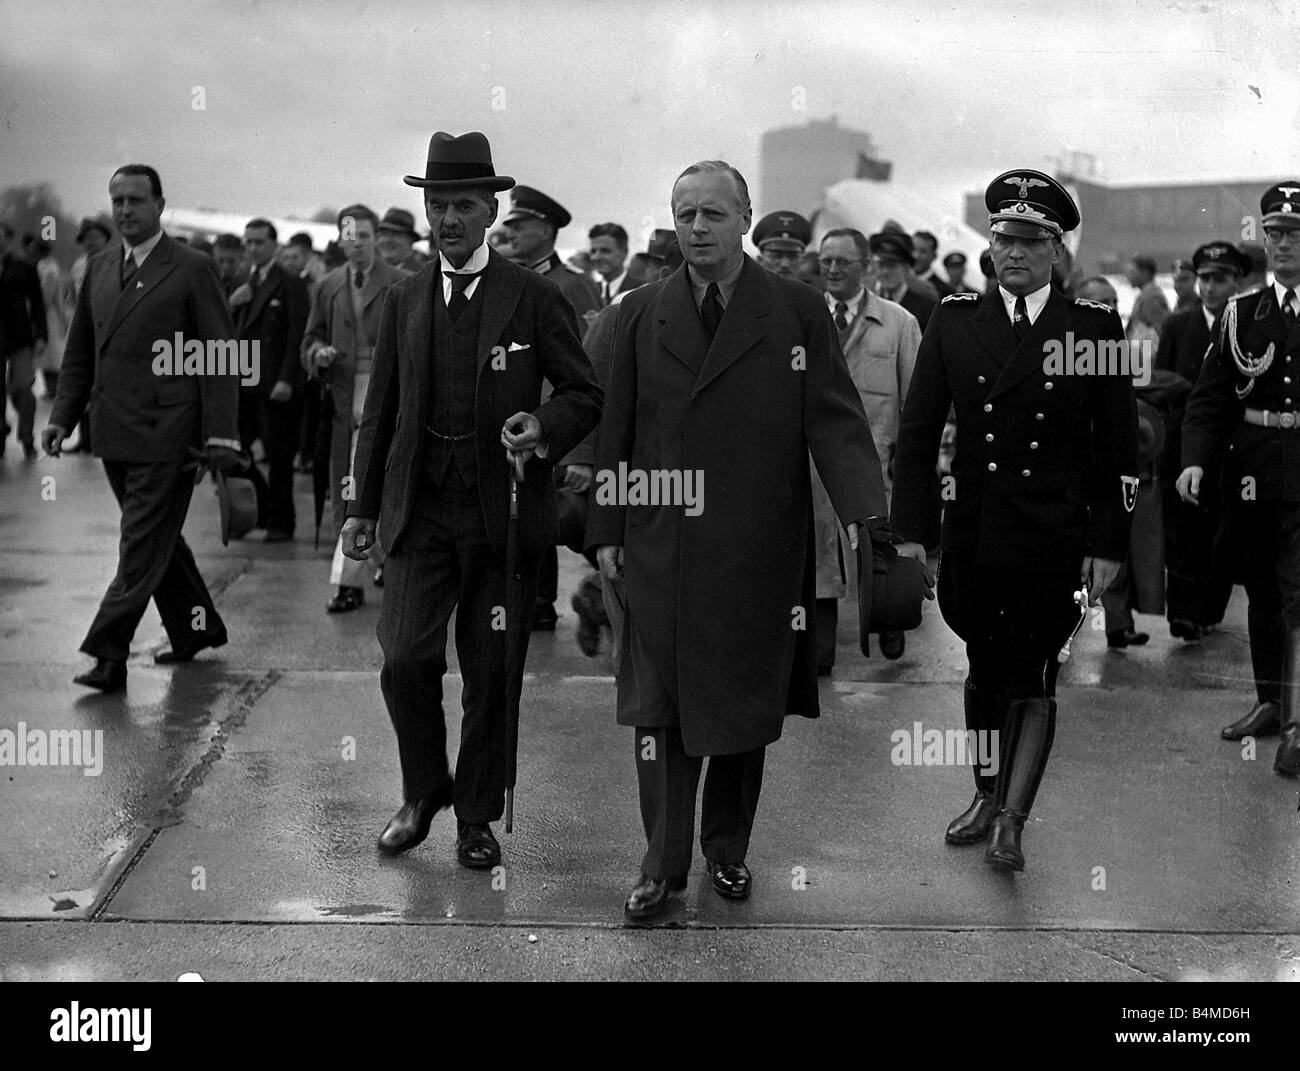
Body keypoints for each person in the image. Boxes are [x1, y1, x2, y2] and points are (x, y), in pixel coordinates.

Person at [587, 159, 921, 921]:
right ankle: (661, 866)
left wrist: (870, 518)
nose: (696, 228)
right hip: (662, 542)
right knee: (660, 712)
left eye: (712, 214)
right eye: (684, 214)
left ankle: (727, 851)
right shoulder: (642, 312)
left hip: (758, 546)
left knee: (740, 707)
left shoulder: (796, 311)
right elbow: (619, 429)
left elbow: (834, 421)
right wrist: (606, 527)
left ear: (744, 217)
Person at [341, 131, 601, 866]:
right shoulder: (403, 299)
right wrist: (361, 508)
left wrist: (542, 426)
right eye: (435, 203)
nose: (447, 218)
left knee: (491, 674)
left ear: (491, 210)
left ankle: (477, 816)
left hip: (504, 517)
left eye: (462, 204)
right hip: (419, 510)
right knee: (404, 660)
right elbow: (379, 410)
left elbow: (586, 393)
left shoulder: (535, 297)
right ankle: (426, 790)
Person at [892, 168, 1138, 872]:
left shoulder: (1091, 326)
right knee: (981, 666)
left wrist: (1108, 545)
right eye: (1005, 239)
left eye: (1033, 242)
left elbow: (1117, 446)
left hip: (1052, 536)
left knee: (1034, 675)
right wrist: (916, 532)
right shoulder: (955, 319)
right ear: (990, 247)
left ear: (1056, 251)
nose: (1017, 253)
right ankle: (984, 789)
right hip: (973, 529)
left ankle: (1013, 818)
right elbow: (917, 432)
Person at [41, 164, 242, 692]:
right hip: (112, 429)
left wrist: (221, 435)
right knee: (156, 541)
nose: (125, 210)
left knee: (138, 544)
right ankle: (198, 629)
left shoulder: (192, 267)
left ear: (159, 204)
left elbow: (220, 353)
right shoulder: (100, 267)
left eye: (135, 200)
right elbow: (82, 350)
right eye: (117, 201)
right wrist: (62, 417)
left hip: (169, 432)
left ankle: (109, 654)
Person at [1179, 183, 1300, 775]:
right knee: (1262, 591)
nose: (1280, 244)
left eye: (1294, 234)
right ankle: (1272, 702)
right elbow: (1208, 399)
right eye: (1273, 234)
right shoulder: (1240, 313)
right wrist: (1196, 458)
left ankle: (1298, 722)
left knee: (1298, 591)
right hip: (1252, 468)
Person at [814, 227, 922, 667]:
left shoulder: (899, 323)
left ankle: (891, 620)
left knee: (880, 556)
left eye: (843, 262)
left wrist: (910, 461)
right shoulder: (804, 317)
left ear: (866, 267)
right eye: (826, 262)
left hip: (878, 463)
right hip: (815, 467)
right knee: (820, 563)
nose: (834, 270)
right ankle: (819, 653)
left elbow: (916, 401)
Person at [502, 185, 603, 631]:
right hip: (522, 423)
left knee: (547, 515)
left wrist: (582, 450)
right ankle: (531, 600)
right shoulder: (515, 281)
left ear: (545, 229)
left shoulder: (573, 287)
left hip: (557, 427)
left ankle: (551, 602)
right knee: (521, 510)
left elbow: (591, 370)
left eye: (520, 225)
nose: (512, 232)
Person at [302, 204, 404, 612]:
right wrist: (318, 354)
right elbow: (308, 340)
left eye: (363, 236)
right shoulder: (327, 286)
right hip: (343, 399)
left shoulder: (401, 283)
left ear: (376, 237)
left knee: (371, 488)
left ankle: (362, 573)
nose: (356, 244)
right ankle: (355, 577)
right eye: (349, 236)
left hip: (386, 398)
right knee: (348, 489)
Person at [1156, 242, 1247, 641]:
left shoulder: (1246, 325)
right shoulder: (1178, 325)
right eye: (1204, 279)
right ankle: (1183, 612)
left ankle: (1209, 609)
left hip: (1230, 445)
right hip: (1181, 442)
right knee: (1181, 529)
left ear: (1236, 282)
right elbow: (1157, 377)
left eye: (1219, 280)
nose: (1209, 288)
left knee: (1221, 530)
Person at [231, 218, 309, 542]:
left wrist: (288, 379)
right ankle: (262, 509)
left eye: (259, 242)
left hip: (276, 384)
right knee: (235, 449)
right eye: (247, 242)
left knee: (279, 457)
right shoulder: (243, 282)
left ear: (274, 245)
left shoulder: (289, 283)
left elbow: (297, 334)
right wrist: (234, 303)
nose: (252, 248)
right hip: (244, 381)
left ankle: (280, 522)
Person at [0, 220, 47, 459]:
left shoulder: (22, 267)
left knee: (22, 386)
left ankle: (27, 437)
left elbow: (37, 302)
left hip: (20, 335)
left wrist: (41, 334)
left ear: (8, 239)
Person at [870, 230, 937, 330]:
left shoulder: (926, 310)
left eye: (892, 266)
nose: (885, 272)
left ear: (906, 268)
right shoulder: (866, 300)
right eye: (881, 265)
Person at [1125, 253, 1170, 346]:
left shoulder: (1152, 298)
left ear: (1145, 273)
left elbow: (1162, 332)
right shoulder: (1146, 296)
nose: (1128, 277)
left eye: (1132, 272)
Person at [751, 210, 810, 279]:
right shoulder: (744, 289)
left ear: (802, 262)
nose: (785, 264)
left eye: (793, 256)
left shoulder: (814, 290)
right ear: (760, 261)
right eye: (776, 256)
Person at [589, 223, 636, 304]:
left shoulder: (640, 290)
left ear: (624, 252)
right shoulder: (588, 291)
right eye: (593, 251)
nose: (596, 257)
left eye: (605, 251)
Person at [376, 207, 428, 275]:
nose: (387, 240)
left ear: (410, 240)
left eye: (395, 234)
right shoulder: (371, 274)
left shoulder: (423, 275)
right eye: (384, 234)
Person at [913, 230, 955, 298]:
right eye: (913, 249)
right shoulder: (897, 278)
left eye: (923, 251)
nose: (916, 255)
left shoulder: (945, 292)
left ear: (934, 256)